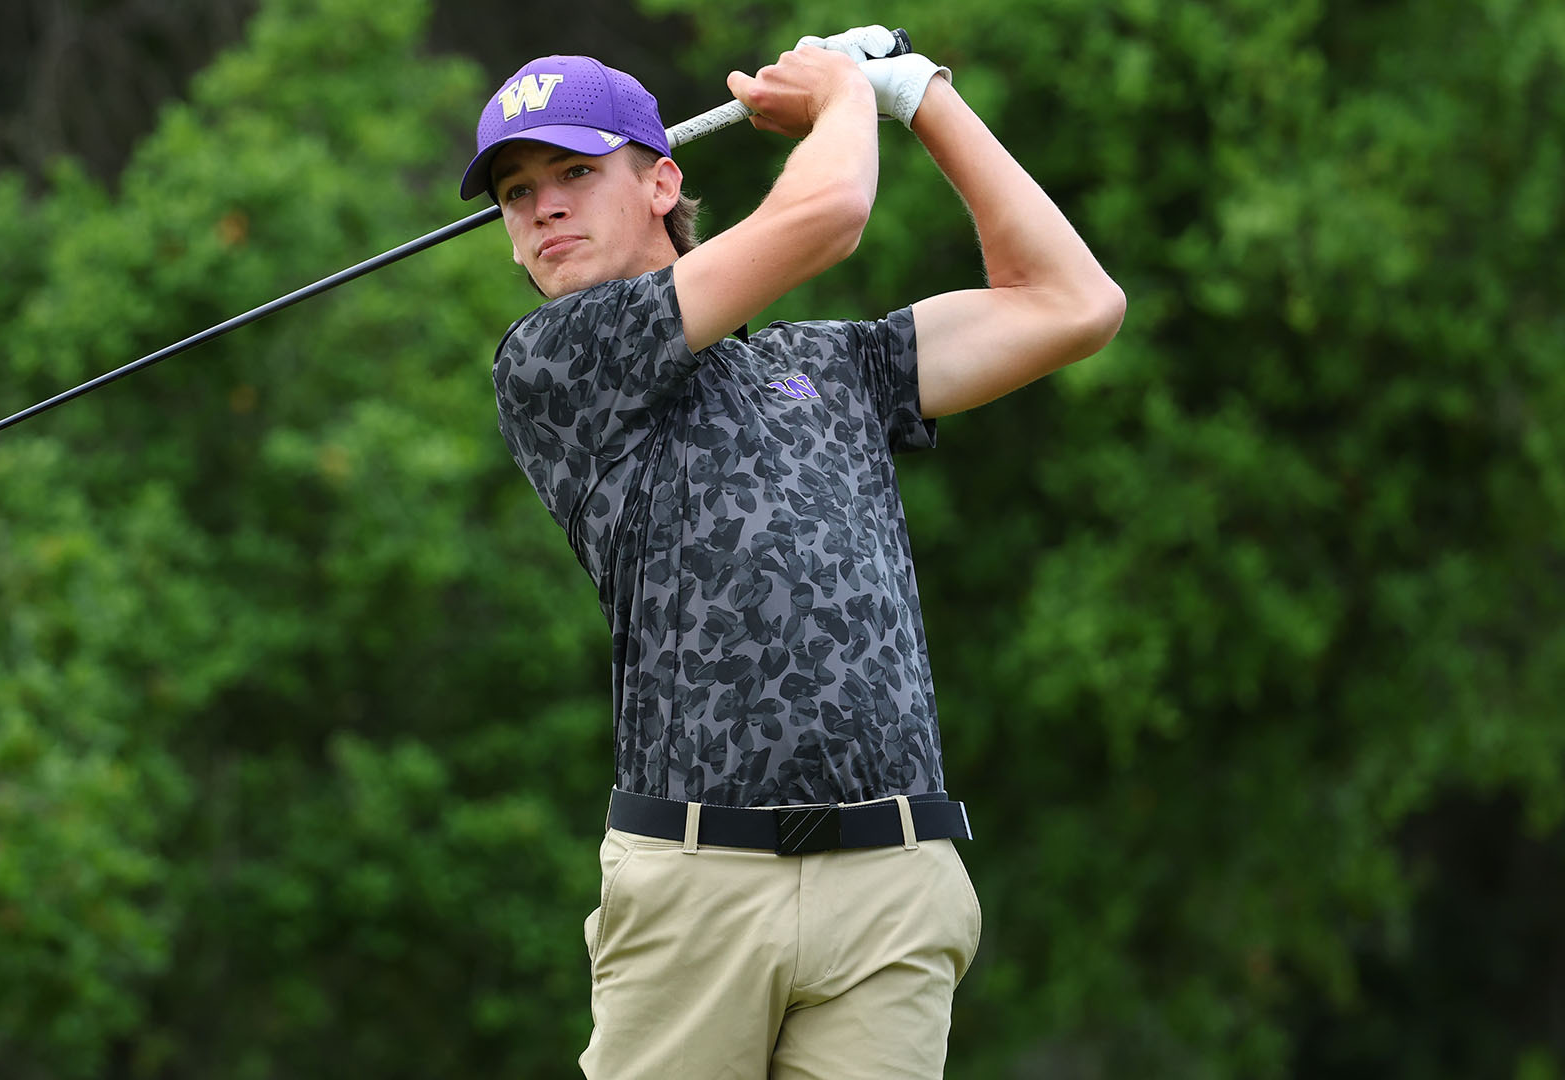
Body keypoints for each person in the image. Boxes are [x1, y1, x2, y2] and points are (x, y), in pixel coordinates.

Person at [458, 26, 1124, 1080]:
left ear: (662, 181)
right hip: (698, 885)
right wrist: (842, 96)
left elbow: (1074, 304)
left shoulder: (832, 365)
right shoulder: (554, 362)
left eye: (575, 173)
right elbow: (830, 215)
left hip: (892, 881)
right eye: (516, 193)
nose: (543, 208)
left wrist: (921, 94)